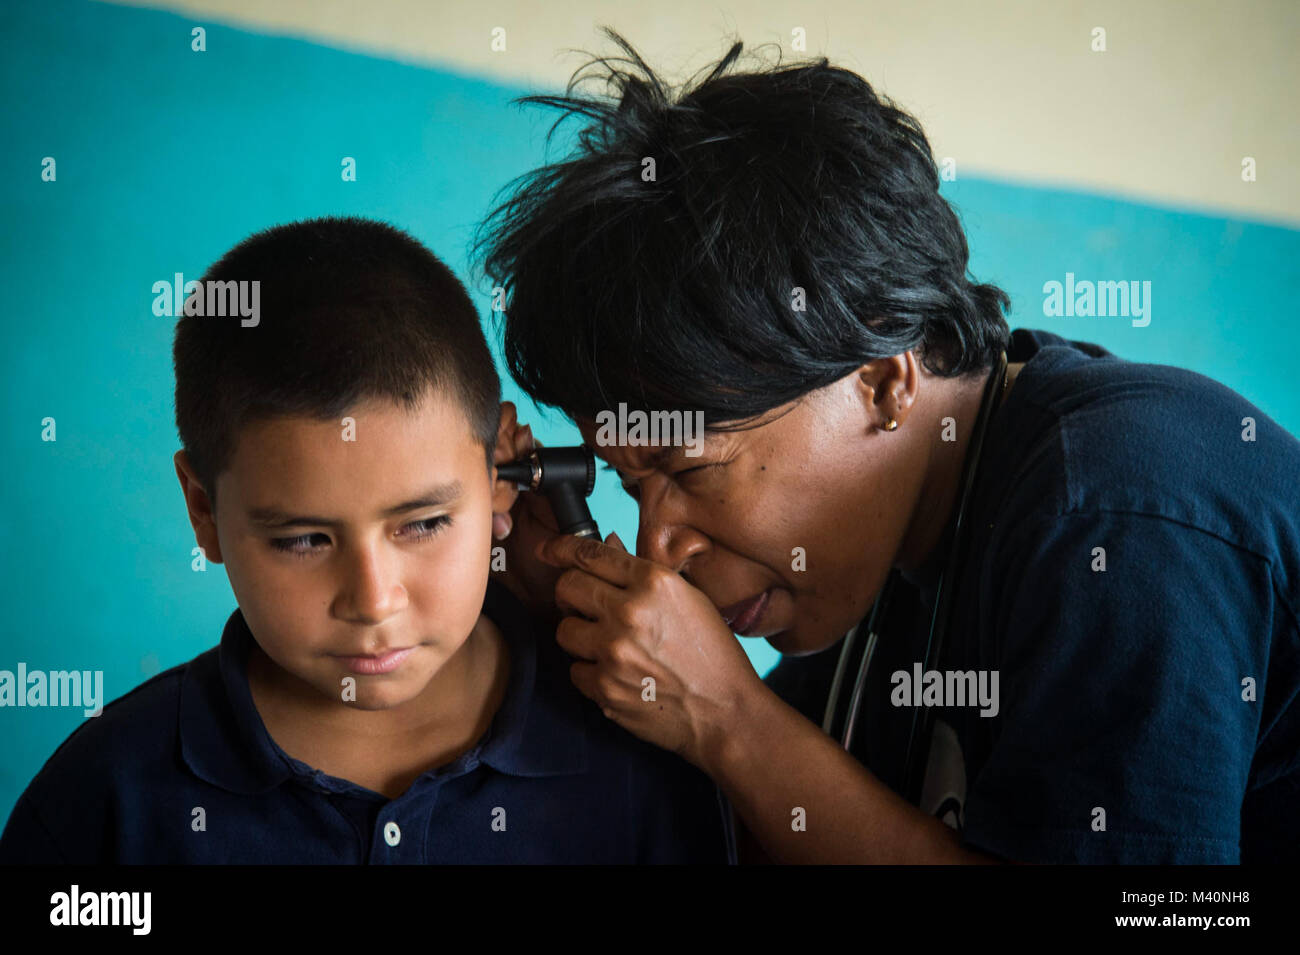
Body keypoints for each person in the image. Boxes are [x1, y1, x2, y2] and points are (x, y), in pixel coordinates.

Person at [472, 30, 1300, 863]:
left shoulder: (1120, 512)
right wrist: (562, 611)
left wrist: (727, 715)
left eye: (691, 469)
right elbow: (761, 832)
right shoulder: (885, 560)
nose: (660, 547)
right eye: (628, 484)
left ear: (881, 378)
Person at [0, 216, 732, 864]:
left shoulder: (642, 761)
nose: (374, 600)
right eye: (304, 540)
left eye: (422, 524)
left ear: (501, 469)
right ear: (204, 510)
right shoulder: (109, 799)